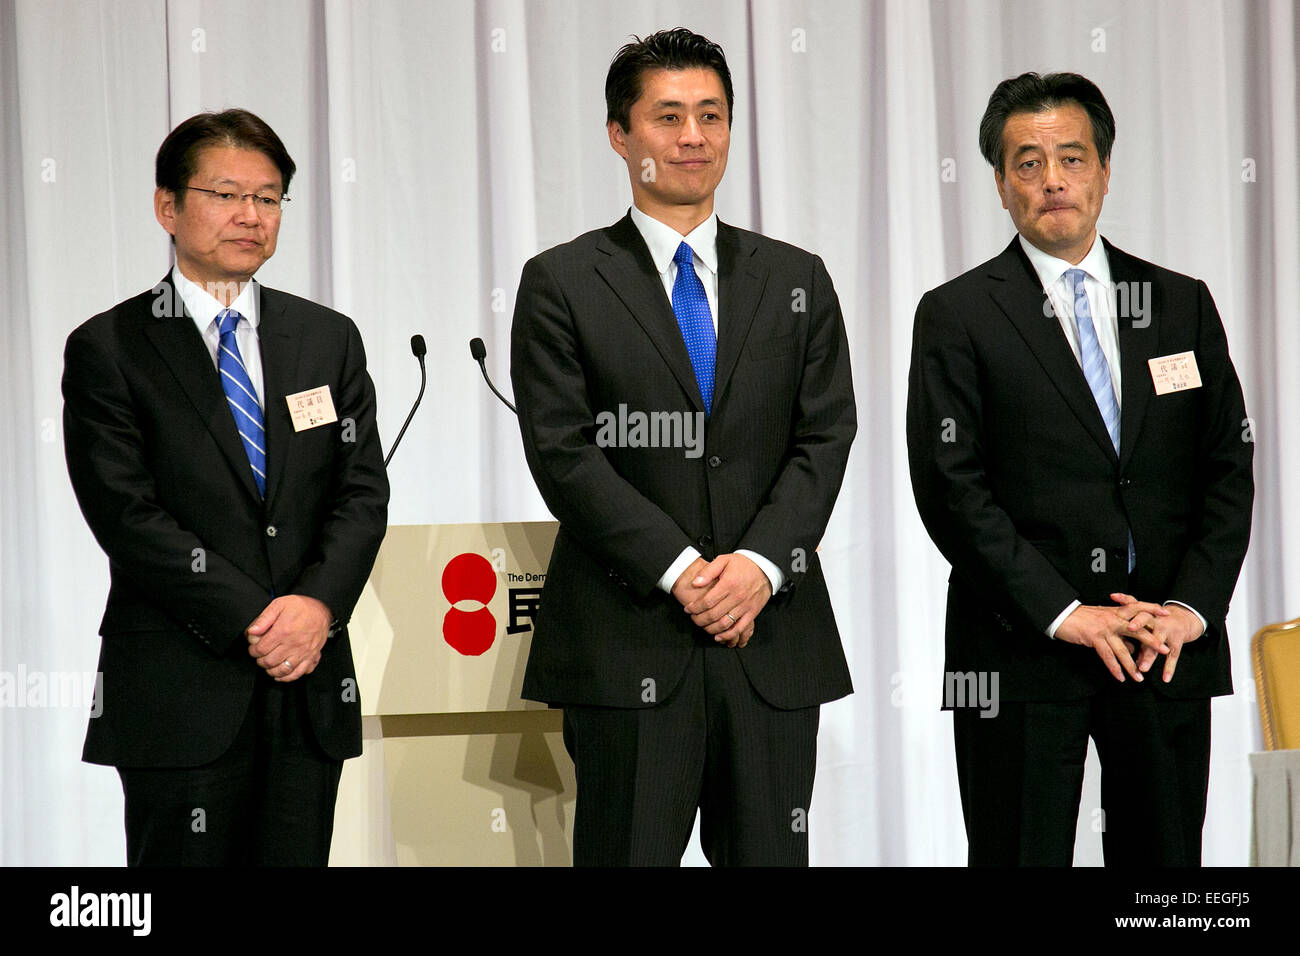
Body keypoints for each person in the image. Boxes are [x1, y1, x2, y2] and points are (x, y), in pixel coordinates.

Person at [510, 28, 856, 866]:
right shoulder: (562, 280)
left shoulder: (795, 277)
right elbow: (565, 453)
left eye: (711, 114)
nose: (693, 136)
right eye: (668, 116)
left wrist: (758, 567)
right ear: (620, 135)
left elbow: (825, 435)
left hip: (769, 637)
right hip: (628, 633)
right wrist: (682, 572)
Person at [906, 72, 1253, 865]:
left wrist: (1189, 610)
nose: (1052, 179)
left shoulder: (1179, 304)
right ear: (998, 182)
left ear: (1104, 170)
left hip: (1162, 646)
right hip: (1023, 651)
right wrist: (1067, 612)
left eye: (1072, 157)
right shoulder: (957, 314)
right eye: (1027, 162)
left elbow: (1227, 470)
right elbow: (951, 489)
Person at [62, 109, 389, 866]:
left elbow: (361, 492)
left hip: (306, 683)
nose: (250, 216)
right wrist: (257, 618)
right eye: (226, 194)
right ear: (167, 207)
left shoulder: (325, 338)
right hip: (181, 687)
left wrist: (314, 608)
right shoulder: (111, 346)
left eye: (269, 198)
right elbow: (126, 514)